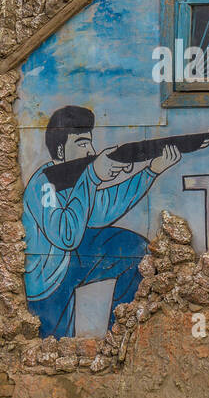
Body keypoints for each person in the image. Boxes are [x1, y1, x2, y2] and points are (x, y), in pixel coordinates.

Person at [22, 106, 186, 338]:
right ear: (60, 151)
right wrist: (92, 177)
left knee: (135, 250)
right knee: (56, 344)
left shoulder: (74, 180)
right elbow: (66, 236)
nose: (91, 151)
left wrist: (150, 171)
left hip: (70, 259)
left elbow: (103, 208)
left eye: (90, 142)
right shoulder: (44, 184)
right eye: (81, 143)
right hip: (47, 279)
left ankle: (119, 333)